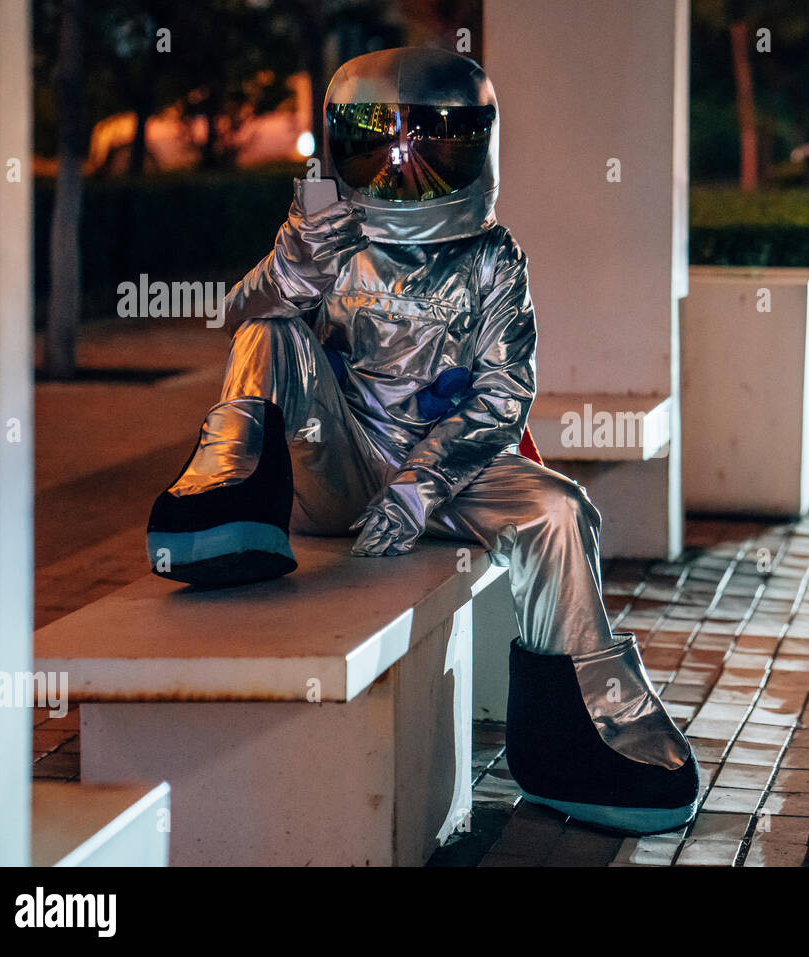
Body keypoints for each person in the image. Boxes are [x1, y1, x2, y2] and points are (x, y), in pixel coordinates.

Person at [145, 47, 699, 835]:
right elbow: (238, 324)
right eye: (383, 144)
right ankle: (224, 504)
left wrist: (420, 486)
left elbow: (504, 392)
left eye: (432, 146)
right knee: (271, 331)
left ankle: (576, 734)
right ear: (345, 149)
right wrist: (295, 271)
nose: (405, 169)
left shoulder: (493, 258)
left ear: (476, 146)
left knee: (563, 512)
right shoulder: (322, 237)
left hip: (441, 475)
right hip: (331, 466)